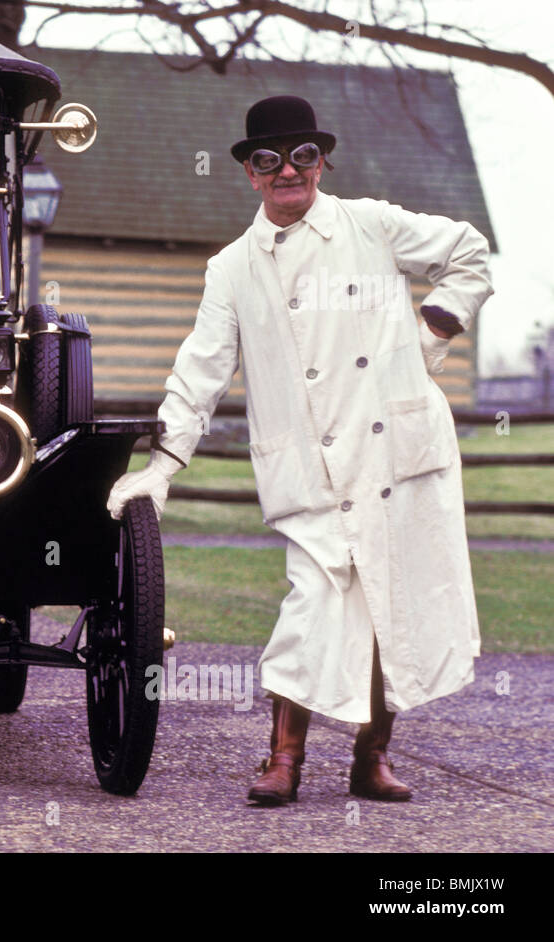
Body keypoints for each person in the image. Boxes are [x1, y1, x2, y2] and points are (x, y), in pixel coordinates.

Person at [106, 95, 493, 805]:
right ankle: (282, 759)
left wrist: (432, 333)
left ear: (323, 163)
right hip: (309, 466)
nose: (289, 172)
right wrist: (162, 467)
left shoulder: (373, 225)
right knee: (312, 604)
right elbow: (202, 366)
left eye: (303, 157)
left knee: (391, 608)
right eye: (269, 160)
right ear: (250, 175)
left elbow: (470, 255)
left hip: (398, 455)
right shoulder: (231, 268)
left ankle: (372, 758)